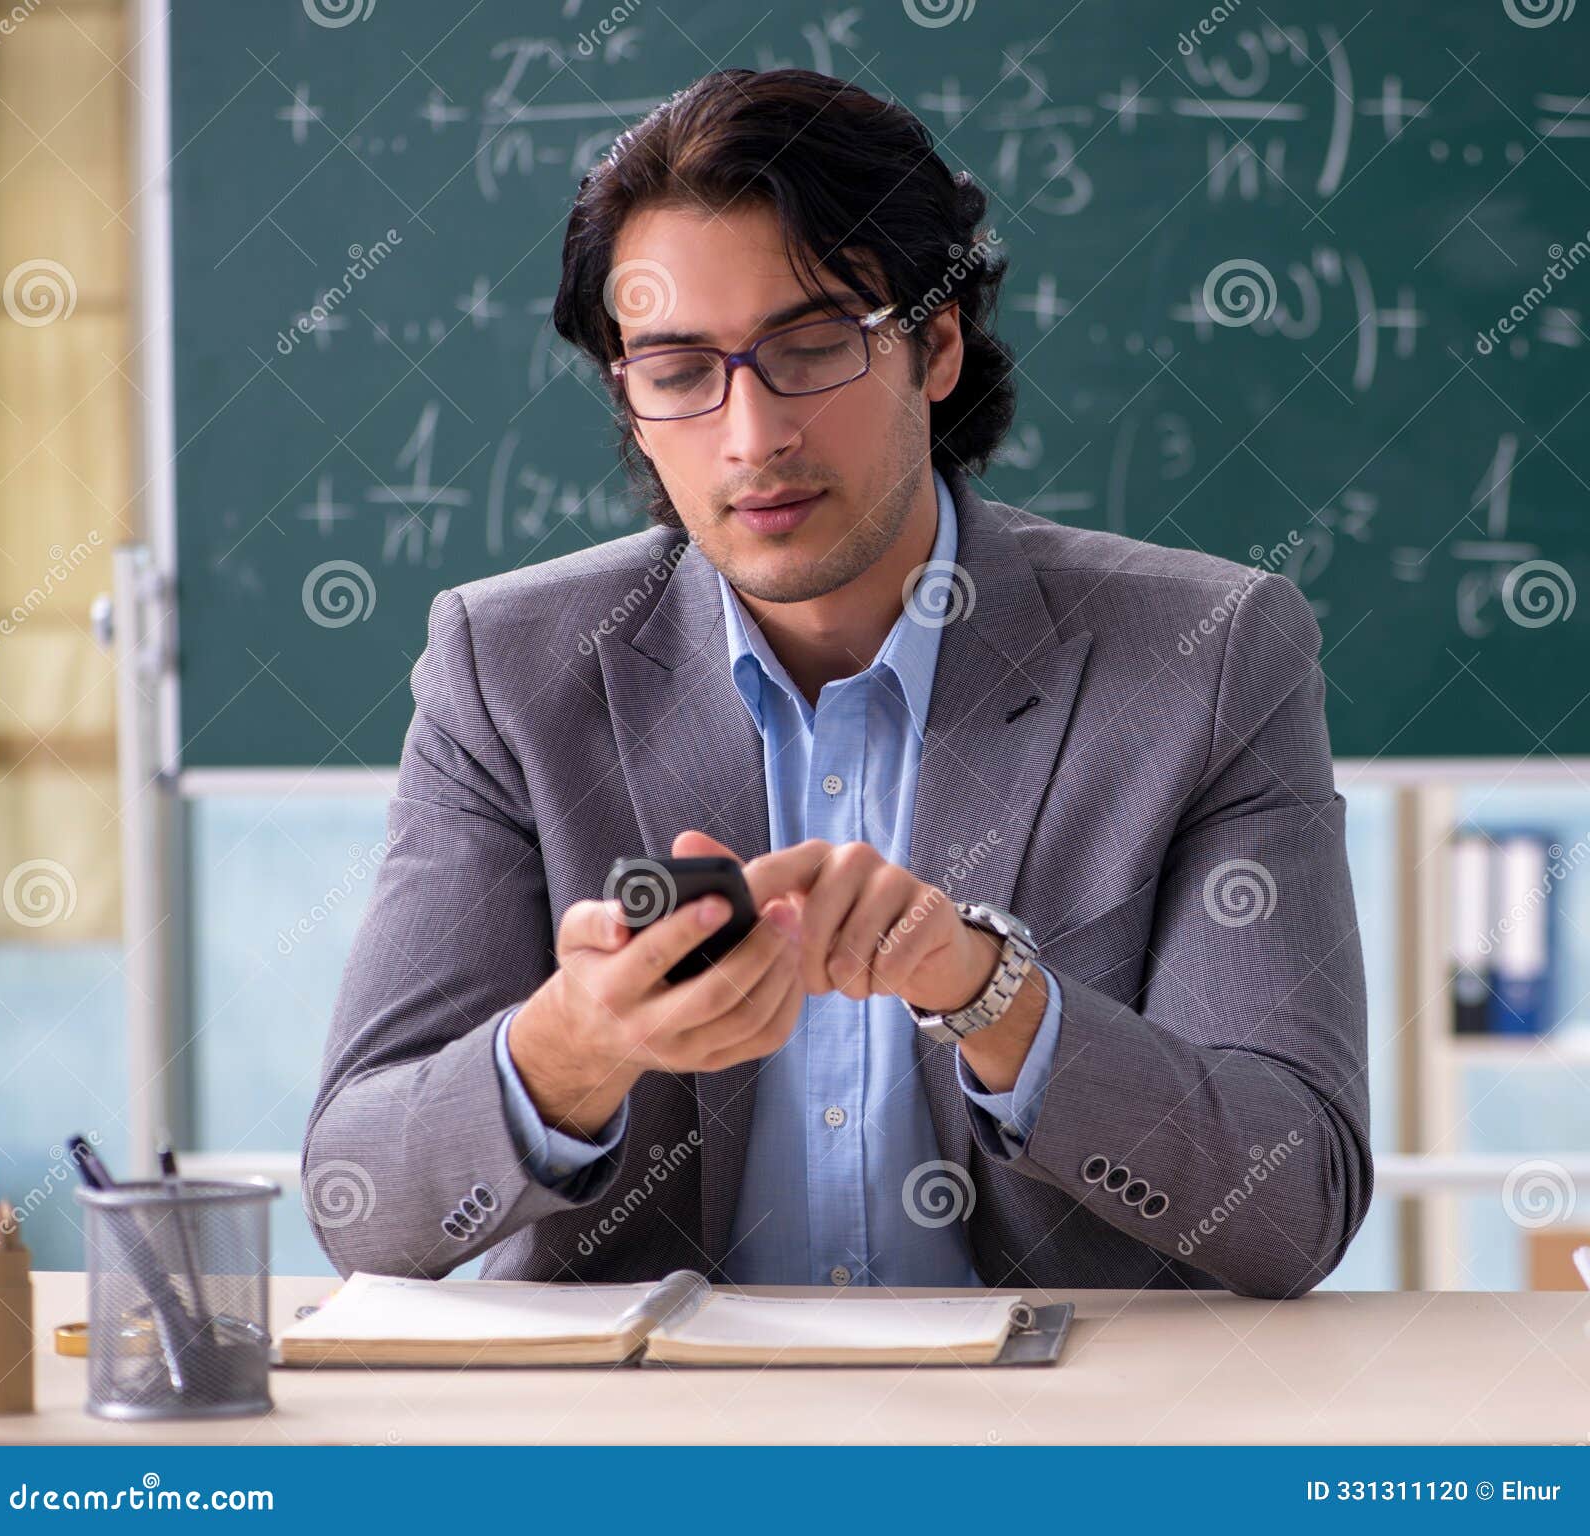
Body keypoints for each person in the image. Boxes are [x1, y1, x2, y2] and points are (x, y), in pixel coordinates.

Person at [304, 68, 1371, 1299]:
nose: (751, 437)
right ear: (632, 404)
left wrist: (989, 993)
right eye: (678, 372)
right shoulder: (509, 669)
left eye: (811, 347)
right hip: (656, 1462)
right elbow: (357, 1205)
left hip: (1045, 1453)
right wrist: (574, 1049)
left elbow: (1290, 1208)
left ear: (936, 346)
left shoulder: (1206, 655)